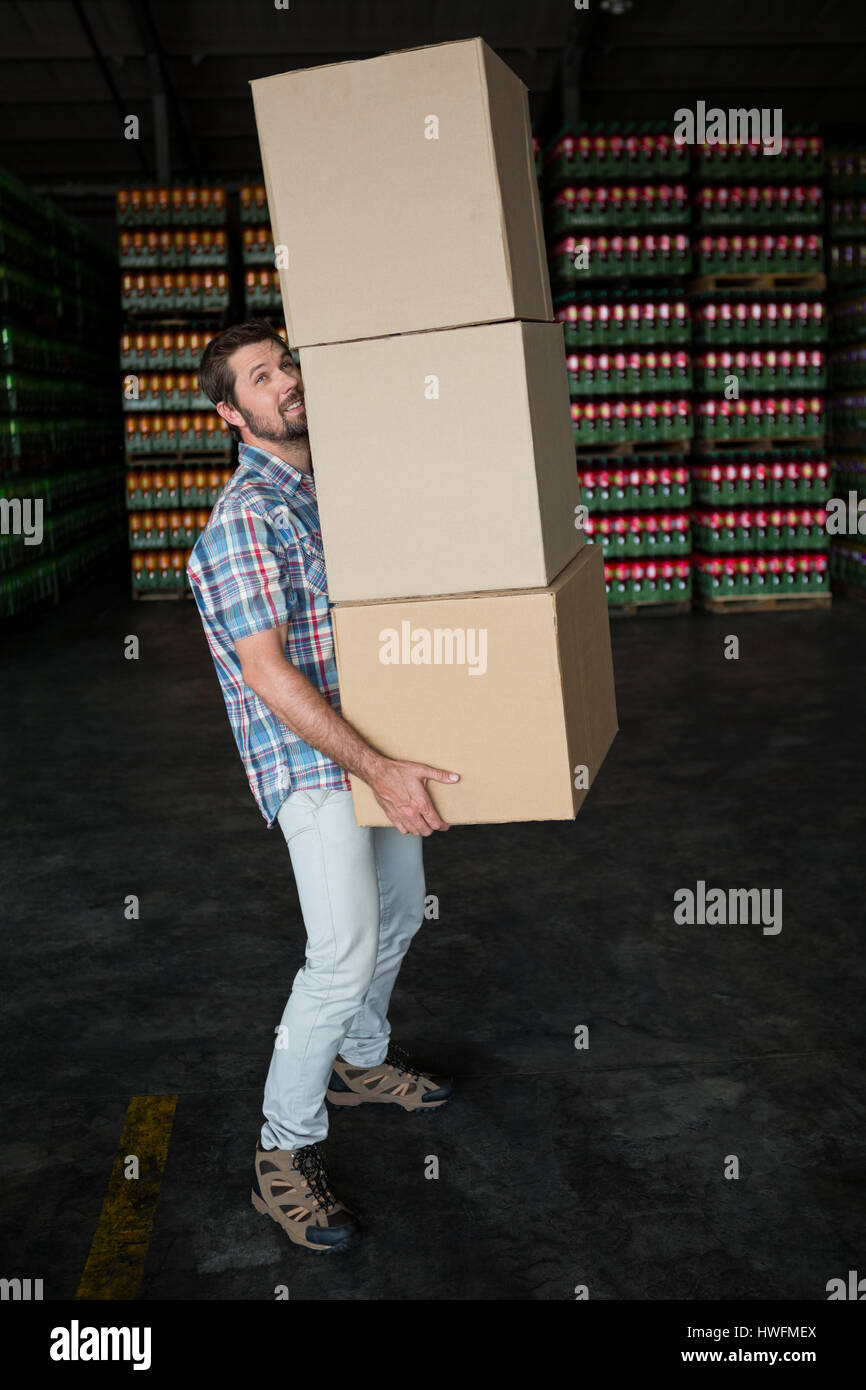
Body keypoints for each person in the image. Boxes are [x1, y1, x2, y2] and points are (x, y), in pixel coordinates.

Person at [187, 320, 459, 1255]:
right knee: (340, 951)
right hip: (313, 764)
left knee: (404, 909)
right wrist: (375, 767)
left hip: (377, 741)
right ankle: (282, 1155)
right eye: (263, 377)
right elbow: (268, 672)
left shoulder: (328, 492)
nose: (287, 381)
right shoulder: (244, 523)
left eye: (287, 364)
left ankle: (361, 1059)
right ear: (232, 413)